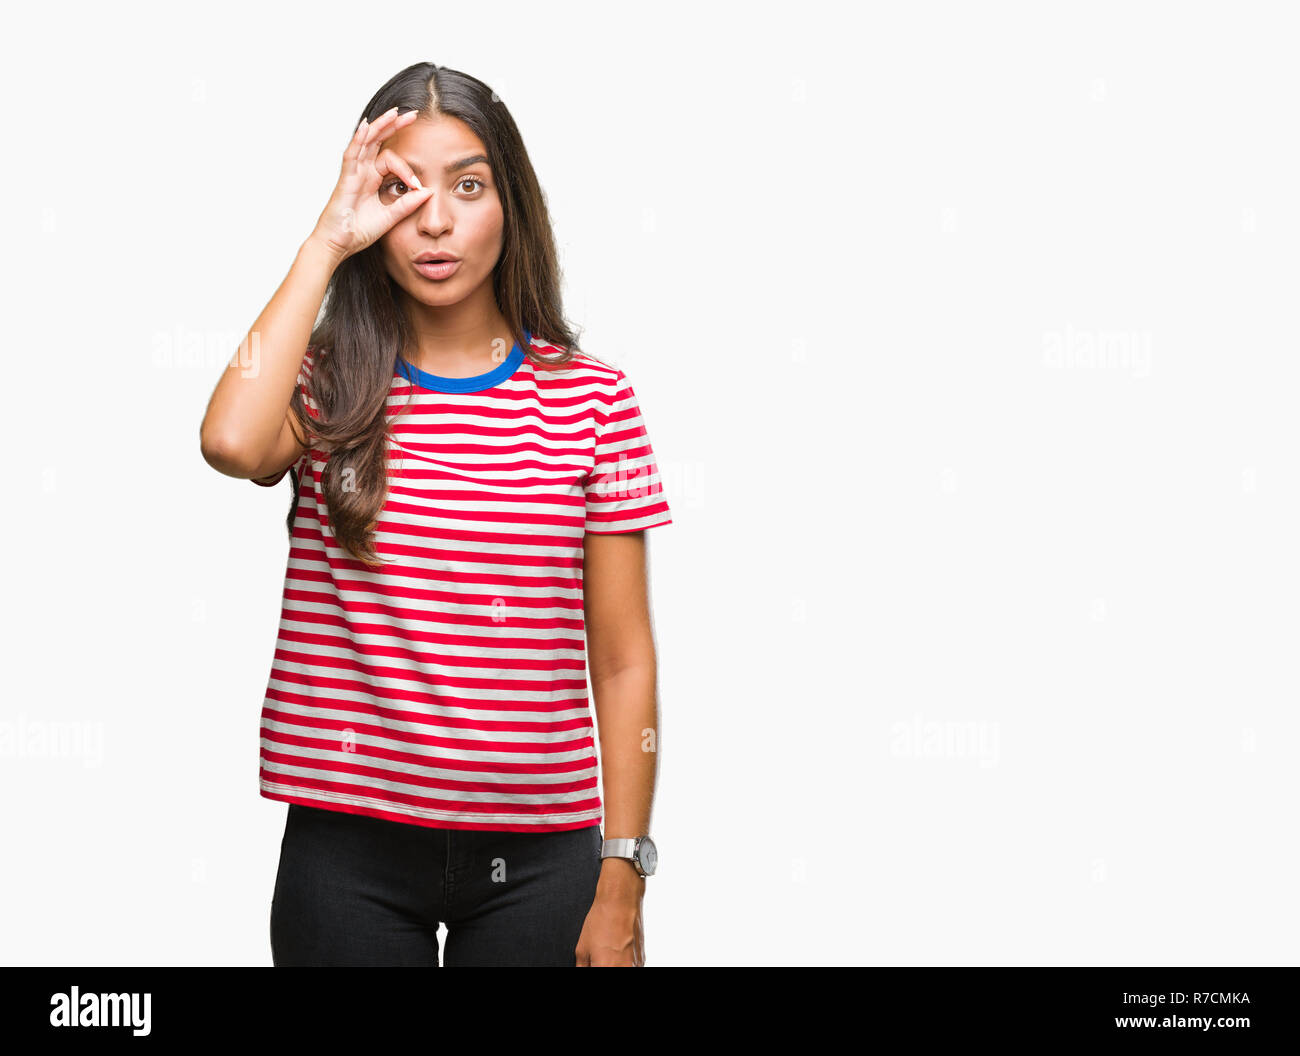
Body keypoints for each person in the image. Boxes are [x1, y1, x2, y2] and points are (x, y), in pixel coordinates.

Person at [199, 61, 671, 967]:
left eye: (468, 185)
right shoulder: (329, 383)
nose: (436, 222)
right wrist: (326, 241)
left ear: (511, 202)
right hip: (348, 851)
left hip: (540, 860)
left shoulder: (594, 402)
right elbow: (228, 440)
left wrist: (624, 874)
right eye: (399, 190)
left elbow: (621, 659)